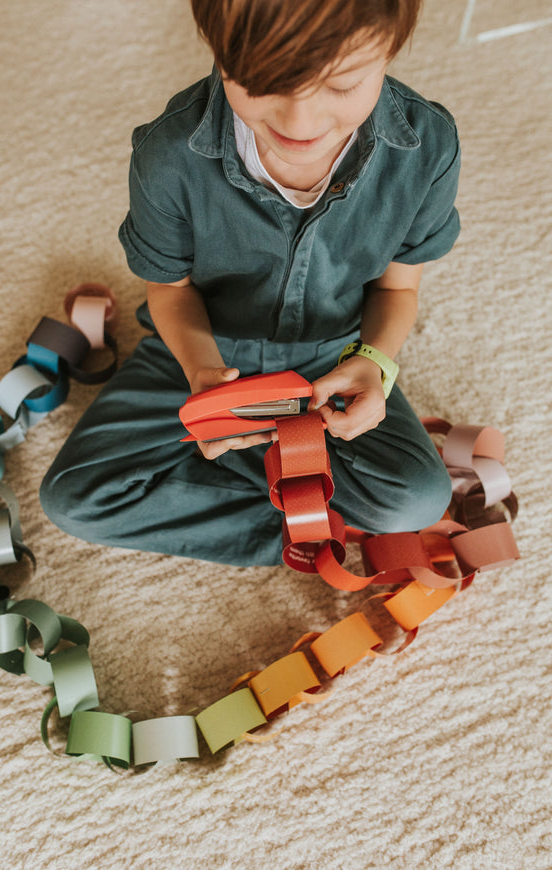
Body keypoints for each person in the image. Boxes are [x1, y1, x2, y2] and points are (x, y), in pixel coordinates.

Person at [40, 0, 460, 567]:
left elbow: (396, 290)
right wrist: (200, 374)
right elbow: (169, 291)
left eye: (341, 84)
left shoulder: (428, 147)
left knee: (420, 499)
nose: (300, 123)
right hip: (198, 354)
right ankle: (306, 515)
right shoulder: (168, 155)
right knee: (73, 498)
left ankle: (286, 481)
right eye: (266, 84)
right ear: (218, 51)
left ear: (390, 50)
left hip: (331, 361)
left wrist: (376, 363)